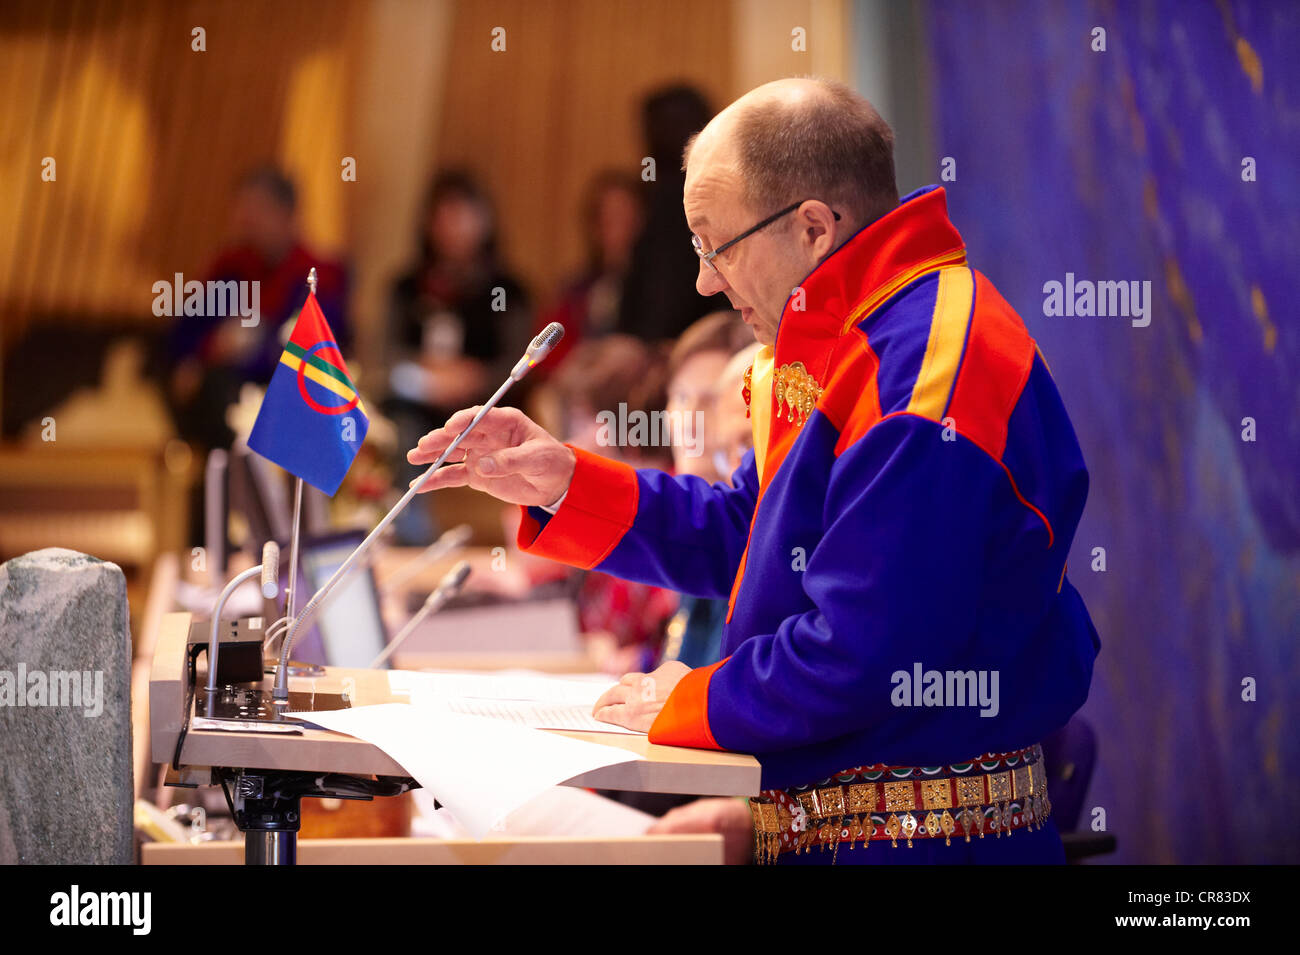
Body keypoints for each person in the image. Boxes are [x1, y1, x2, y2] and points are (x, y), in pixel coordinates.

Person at [407, 77, 1100, 865]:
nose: (704, 279)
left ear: (811, 227)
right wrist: (566, 481)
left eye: (714, 244)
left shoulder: (926, 364)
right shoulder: (844, 341)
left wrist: (692, 695)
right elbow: (755, 535)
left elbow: (867, 647)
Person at [385, 170, 534, 544]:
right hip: (414, 403)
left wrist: (475, 377)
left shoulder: (507, 289)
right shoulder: (405, 288)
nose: (454, 228)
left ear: (484, 221)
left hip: (486, 404)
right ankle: (410, 528)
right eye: (444, 216)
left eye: (464, 215)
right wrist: (424, 379)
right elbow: (384, 357)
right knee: (393, 424)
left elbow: (521, 361)